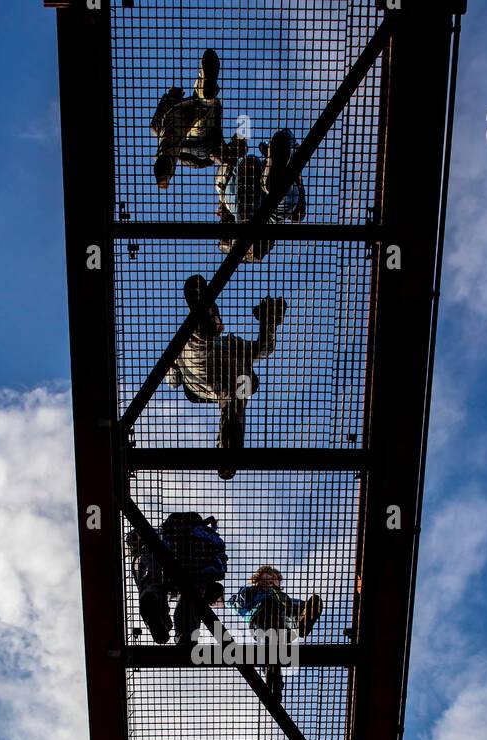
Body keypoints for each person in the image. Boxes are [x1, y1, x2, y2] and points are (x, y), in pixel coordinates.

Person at [166, 275, 287, 475]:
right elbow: (173, 380)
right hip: (215, 376)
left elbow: (173, 381)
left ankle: (230, 444)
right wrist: (269, 322)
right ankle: (200, 326)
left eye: (216, 320)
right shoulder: (231, 343)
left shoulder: (232, 343)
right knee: (202, 356)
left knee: (232, 385)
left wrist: (269, 322)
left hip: (223, 376)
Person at [126, 511, 227, 646]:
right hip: (194, 571)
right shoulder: (205, 534)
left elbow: (136, 543)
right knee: (192, 595)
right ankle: (185, 634)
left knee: (152, 582)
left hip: (163, 563)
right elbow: (220, 564)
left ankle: (157, 610)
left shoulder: (164, 531)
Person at [230, 565, 323, 700]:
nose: (272, 580)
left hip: (283, 624)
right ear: (259, 577)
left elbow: (295, 604)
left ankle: (300, 624)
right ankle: (274, 684)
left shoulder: (281, 596)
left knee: (290, 610)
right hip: (261, 618)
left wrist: (308, 607)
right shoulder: (252, 590)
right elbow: (237, 604)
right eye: (269, 577)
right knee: (270, 649)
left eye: (275, 579)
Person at [216, 127, 307, 264]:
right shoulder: (233, 246)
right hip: (264, 213)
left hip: (255, 208)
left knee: (284, 199)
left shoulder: (232, 245)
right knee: (283, 198)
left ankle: (277, 179)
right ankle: (277, 179)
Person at [150, 50, 235, 190]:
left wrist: (210, 158)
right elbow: (154, 124)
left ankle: (206, 95)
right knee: (200, 106)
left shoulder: (186, 156)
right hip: (178, 113)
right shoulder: (158, 128)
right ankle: (203, 86)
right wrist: (169, 97)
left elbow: (201, 161)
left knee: (199, 126)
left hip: (192, 137)